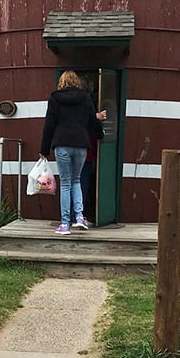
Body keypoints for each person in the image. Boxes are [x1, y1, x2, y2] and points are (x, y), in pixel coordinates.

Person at [39, 70, 105, 235]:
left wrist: (44, 150)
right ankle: (80, 217)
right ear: (77, 82)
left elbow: (49, 125)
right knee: (76, 181)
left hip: (62, 144)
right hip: (81, 144)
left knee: (66, 183)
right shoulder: (85, 98)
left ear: (62, 82)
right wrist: (100, 134)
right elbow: (92, 120)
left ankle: (64, 224)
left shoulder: (55, 99)